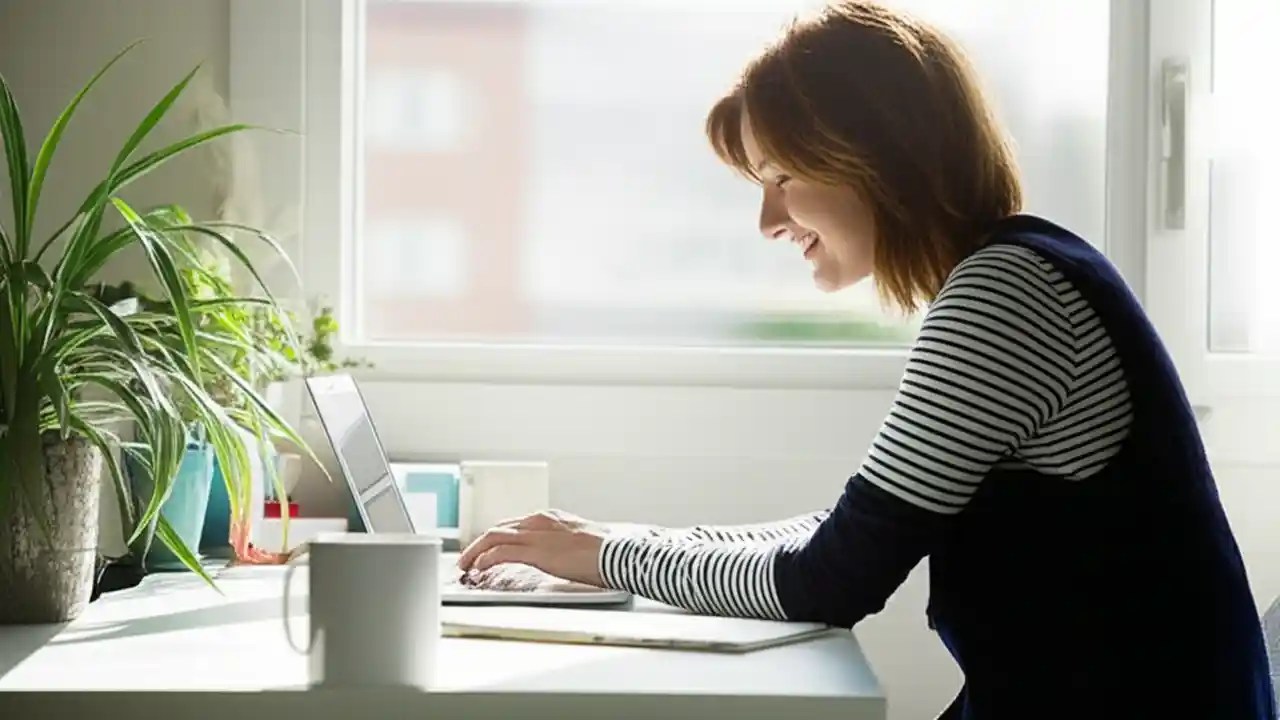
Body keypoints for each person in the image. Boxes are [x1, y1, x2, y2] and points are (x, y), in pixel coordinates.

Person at [457, 2, 1275, 717]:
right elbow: (849, 527)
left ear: (873, 155)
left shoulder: (1005, 294)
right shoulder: (1018, 271)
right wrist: (607, 545)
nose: (768, 220)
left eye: (782, 178)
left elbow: (833, 577)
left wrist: (604, 556)